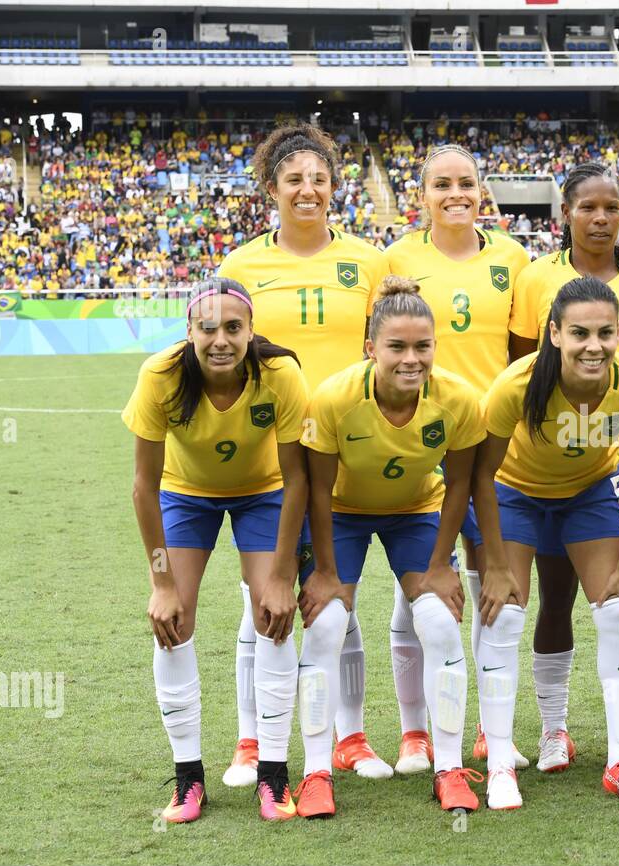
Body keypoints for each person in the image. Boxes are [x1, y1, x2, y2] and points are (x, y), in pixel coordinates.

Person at [218, 122, 393, 786]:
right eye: (294, 179)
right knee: (259, 600)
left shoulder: (369, 262)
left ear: (334, 187)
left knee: (336, 603)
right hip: (269, 457)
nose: (308, 189)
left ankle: (349, 736)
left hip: (346, 454)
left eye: (319, 178)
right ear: (272, 187)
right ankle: (248, 740)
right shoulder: (240, 265)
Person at [469, 276, 619, 806]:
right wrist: (493, 565)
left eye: (605, 333)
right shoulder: (515, 385)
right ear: (553, 333)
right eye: (579, 333)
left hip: (590, 494)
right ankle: (504, 762)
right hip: (515, 494)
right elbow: (482, 475)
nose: (593, 345)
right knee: (505, 612)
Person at [296, 277, 487, 816]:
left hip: (417, 513)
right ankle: (315, 773)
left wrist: (438, 566)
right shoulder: (333, 398)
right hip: (341, 515)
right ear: (370, 348)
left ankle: (448, 768)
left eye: (422, 346)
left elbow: (460, 485)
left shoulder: (457, 400)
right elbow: (315, 489)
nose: (411, 358)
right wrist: (327, 573)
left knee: (440, 622)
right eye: (397, 347)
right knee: (328, 624)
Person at [124, 278, 308, 823]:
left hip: (264, 494)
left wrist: (279, 575)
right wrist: (161, 582)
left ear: (252, 332)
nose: (220, 339)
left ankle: (273, 777)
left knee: (271, 616)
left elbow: (297, 480)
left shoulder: (280, 374)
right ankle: (188, 781)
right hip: (186, 496)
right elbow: (143, 486)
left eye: (233, 327)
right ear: (189, 332)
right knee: (173, 620)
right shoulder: (160, 376)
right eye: (208, 328)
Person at [509, 162, 619, 773]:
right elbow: (528, 370)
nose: (601, 218)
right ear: (566, 215)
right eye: (588, 208)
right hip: (549, 464)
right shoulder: (534, 280)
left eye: (612, 208)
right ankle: (555, 729)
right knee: (554, 596)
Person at [385, 143, 534, 770]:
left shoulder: (513, 257)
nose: (455, 194)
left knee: (489, 582)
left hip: (492, 445)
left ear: (482, 192)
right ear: (421, 195)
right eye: (441, 184)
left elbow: (523, 349)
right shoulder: (396, 259)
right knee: (419, 587)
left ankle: (485, 728)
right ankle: (415, 730)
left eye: (466, 183)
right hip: (422, 441)